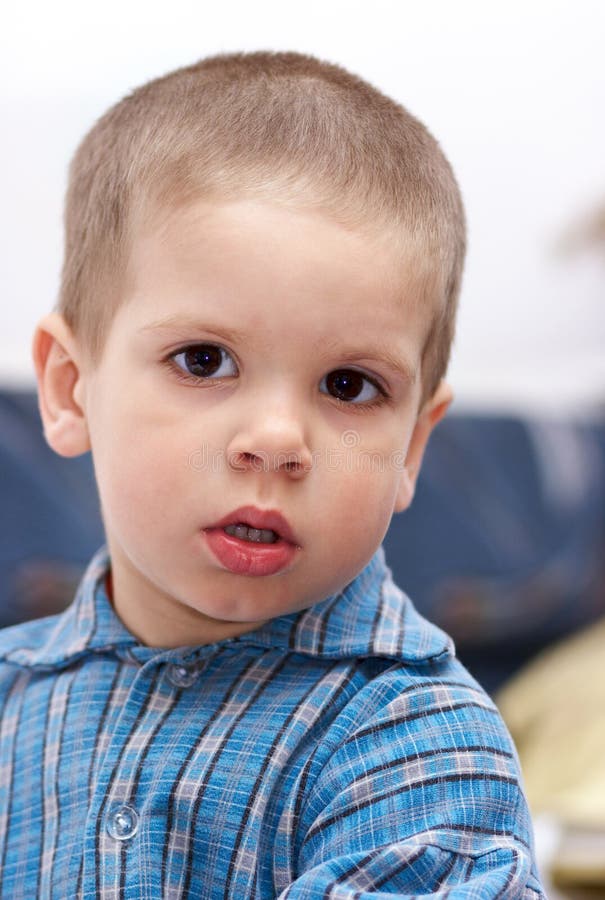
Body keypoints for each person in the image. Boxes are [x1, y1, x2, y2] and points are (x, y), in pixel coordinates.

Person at [0, 51, 545, 897]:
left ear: (410, 448)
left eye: (348, 386)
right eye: (204, 360)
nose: (276, 440)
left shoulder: (417, 751)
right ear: (72, 388)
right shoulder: (12, 702)